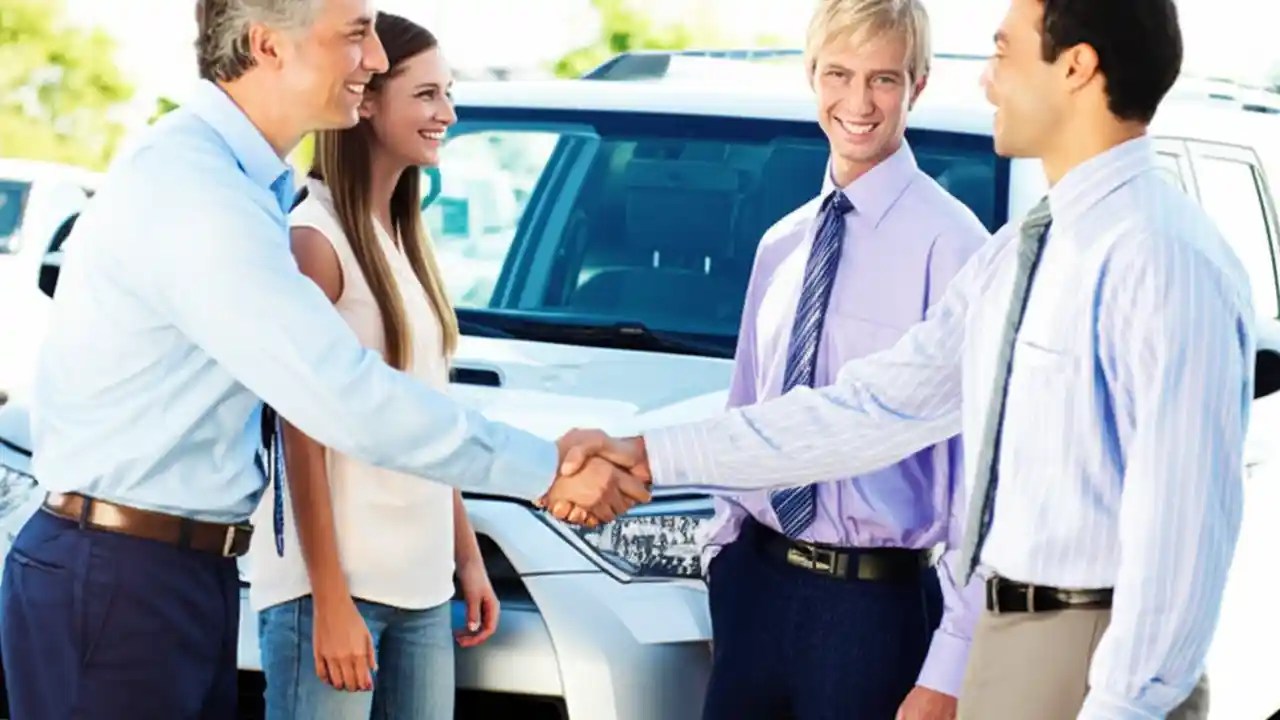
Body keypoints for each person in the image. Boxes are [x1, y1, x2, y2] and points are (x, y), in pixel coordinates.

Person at [558, 0, 1251, 718]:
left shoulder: (1162, 257)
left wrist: (1118, 707)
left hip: (1084, 647)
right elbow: (869, 408)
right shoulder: (1026, 252)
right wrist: (648, 453)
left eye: (1003, 53)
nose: (986, 83)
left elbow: (1181, 537)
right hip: (1006, 631)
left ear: (1075, 68)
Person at [0, 1, 648, 718]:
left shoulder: (240, 186)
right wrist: (546, 468)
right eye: (354, 34)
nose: (373, 59)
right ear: (266, 46)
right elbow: (339, 393)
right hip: (122, 580)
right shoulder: (198, 195)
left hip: (174, 574)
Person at [691, 1, 986, 718]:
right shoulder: (782, 245)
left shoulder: (956, 249)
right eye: (839, 74)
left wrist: (949, 664)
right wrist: (723, 550)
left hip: (874, 612)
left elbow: (984, 477)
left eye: (883, 79)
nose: (858, 103)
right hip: (755, 587)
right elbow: (746, 416)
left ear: (917, 85)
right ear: (811, 75)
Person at [245, 14, 486, 719]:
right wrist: (328, 597)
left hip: (421, 590)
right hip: (335, 592)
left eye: (448, 93)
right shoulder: (313, 240)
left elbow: (424, 422)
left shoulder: (403, 240)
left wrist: (464, 556)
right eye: (427, 95)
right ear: (369, 101)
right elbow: (299, 431)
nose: (447, 113)